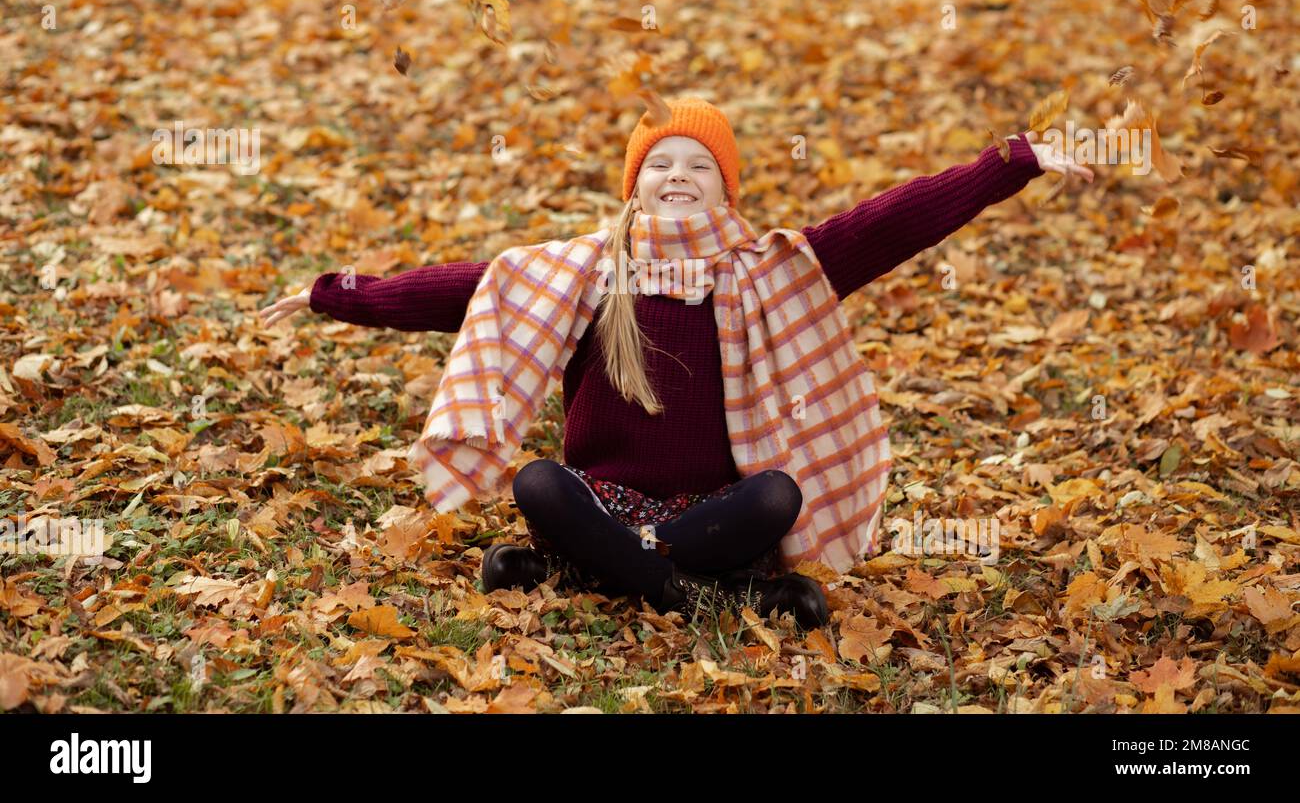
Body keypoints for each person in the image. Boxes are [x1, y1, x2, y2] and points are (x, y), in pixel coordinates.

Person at [260, 98, 1091, 627]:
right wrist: (342, 294)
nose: (678, 176)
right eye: (660, 163)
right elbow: (460, 292)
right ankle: (698, 595)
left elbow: (889, 222)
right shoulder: (582, 272)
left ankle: (595, 573)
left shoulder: (770, 268)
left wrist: (1008, 164)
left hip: (711, 509)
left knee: (780, 495)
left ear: (726, 188)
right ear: (634, 186)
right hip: (603, 499)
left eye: (700, 165)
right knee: (538, 482)